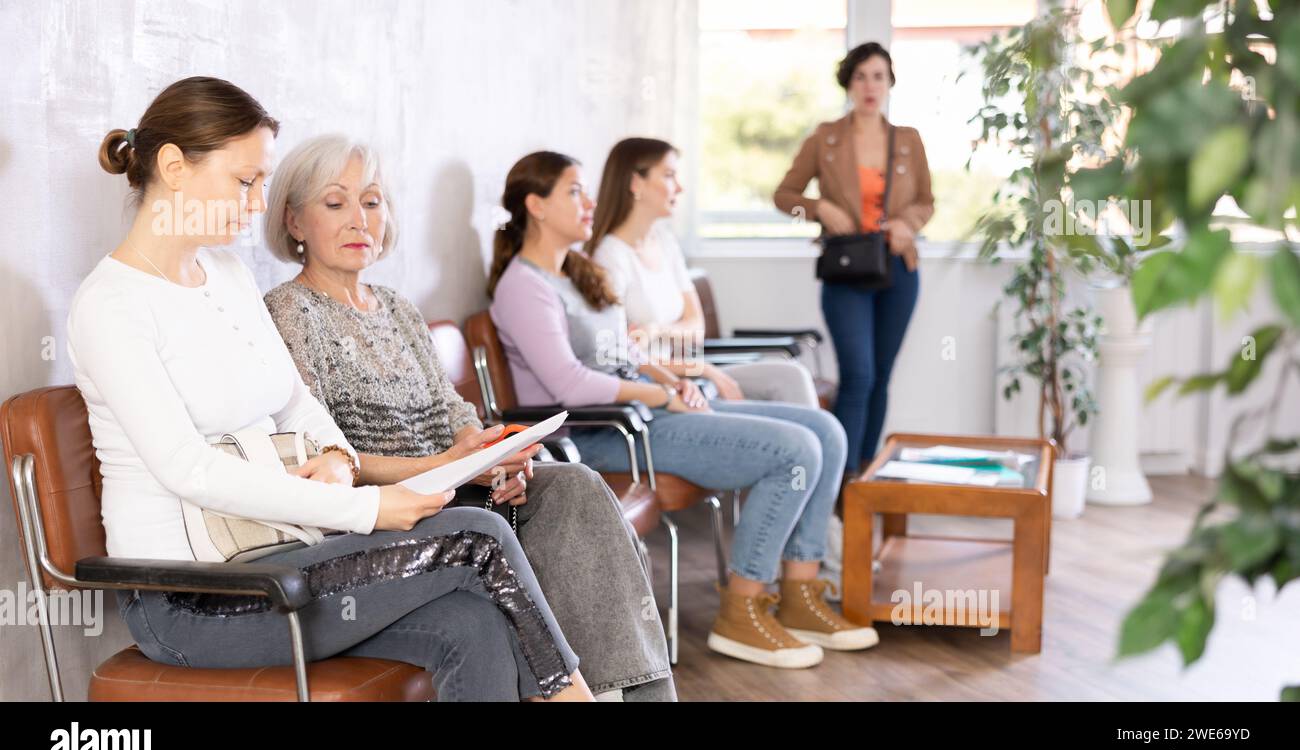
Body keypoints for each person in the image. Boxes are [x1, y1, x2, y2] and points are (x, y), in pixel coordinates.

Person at [71, 77, 590, 701]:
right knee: (477, 536)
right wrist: (368, 508)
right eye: (246, 181)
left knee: (473, 623)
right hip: (195, 599)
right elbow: (189, 471)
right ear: (174, 167)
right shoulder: (111, 305)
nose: (259, 201)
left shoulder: (227, 275)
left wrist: (341, 461)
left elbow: (295, 402)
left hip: (285, 559)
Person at [262, 134, 674, 701]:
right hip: (383, 517)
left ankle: (634, 694)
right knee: (561, 522)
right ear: (294, 222)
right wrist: (448, 466)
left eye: (373, 201)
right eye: (336, 204)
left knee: (573, 490)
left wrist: (489, 453)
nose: (360, 219)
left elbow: (453, 408)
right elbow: (320, 456)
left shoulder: (399, 309)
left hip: (456, 490)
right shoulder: (288, 312)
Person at [488, 151, 880, 669]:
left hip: (648, 414)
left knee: (826, 433)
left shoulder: (575, 270)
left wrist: (671, 378)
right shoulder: (523, 286)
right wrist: (655, 396)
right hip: (605, 433)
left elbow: (622, 350)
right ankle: (742, 610)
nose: (590, 203)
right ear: (536, 205)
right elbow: (568, 382)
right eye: (574, 192)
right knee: (795, 451)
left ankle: (801, 594)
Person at [774, 41, 934, 480]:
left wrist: (908, 224)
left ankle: (867, 474)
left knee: (881, 376)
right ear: (848, 82)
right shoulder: (826, 137)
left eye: (878, 76)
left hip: (898, 268)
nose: (870, 85)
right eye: (861, 75)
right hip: (846, 270)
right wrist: (821, 209)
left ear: (889, 83)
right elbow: (784, 195)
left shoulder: (908, 140)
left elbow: (926, 201)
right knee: (858, 375)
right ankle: (839, 483)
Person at [588, 137, 819, 407]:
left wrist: (656, 330)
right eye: (669, 175)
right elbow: (620, 357)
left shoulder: (664, 241)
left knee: (791, 376)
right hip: (658, 386)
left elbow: (696, 327)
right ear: (636, 184)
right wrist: (702, 369)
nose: (680, 187)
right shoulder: (610, 257)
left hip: (688, 372)